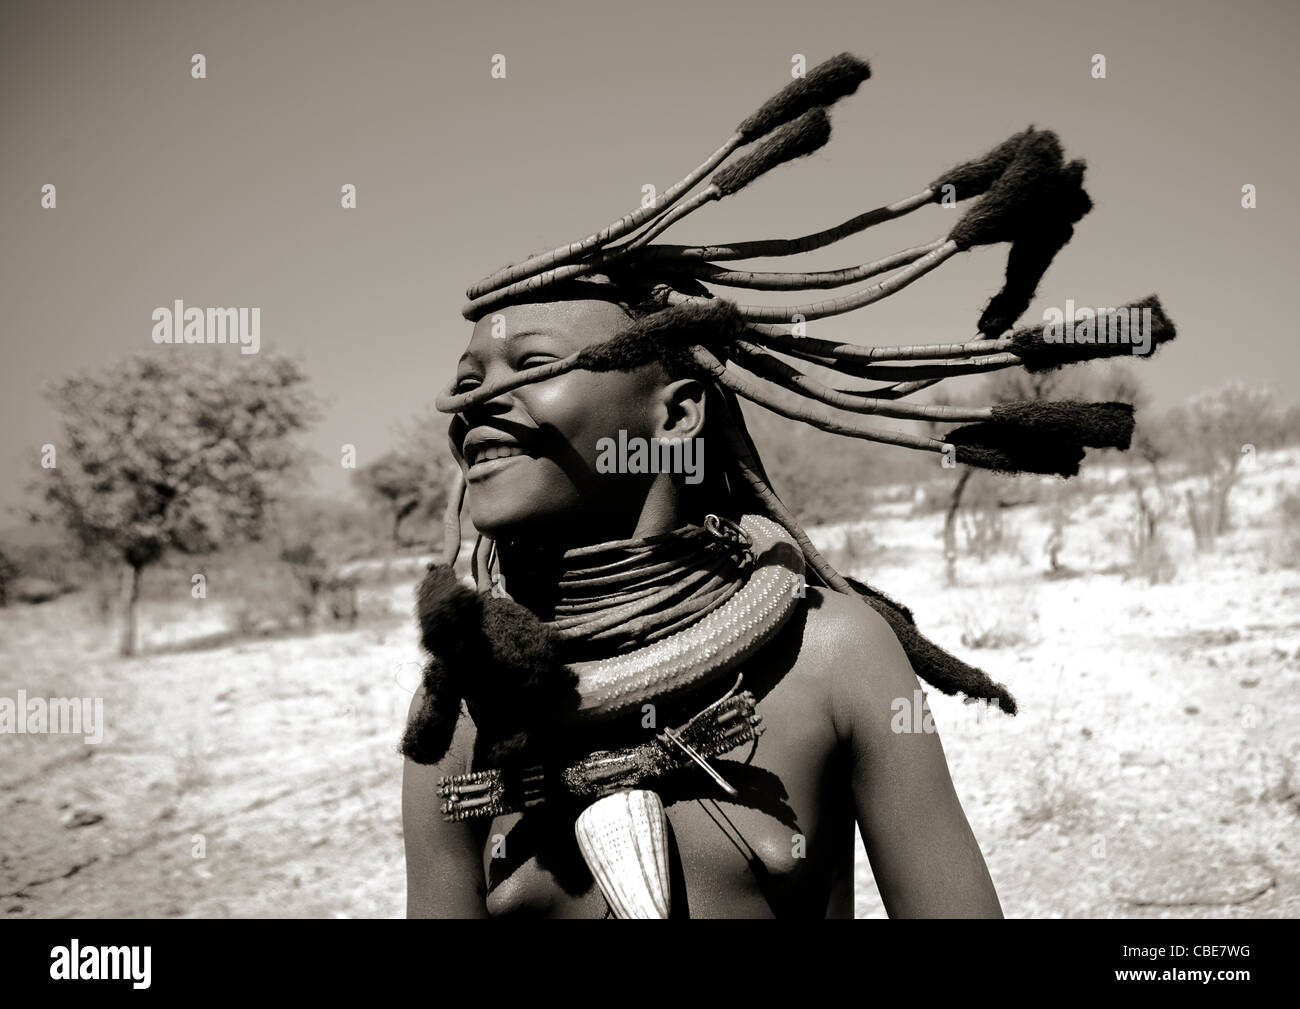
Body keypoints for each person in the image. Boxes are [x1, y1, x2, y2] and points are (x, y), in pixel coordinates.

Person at [401, 54, 1174, 918]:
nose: (475, 401)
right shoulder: (459, 715)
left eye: (531, 364)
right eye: (468, 378)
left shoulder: (833, 656)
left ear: (678, 415)